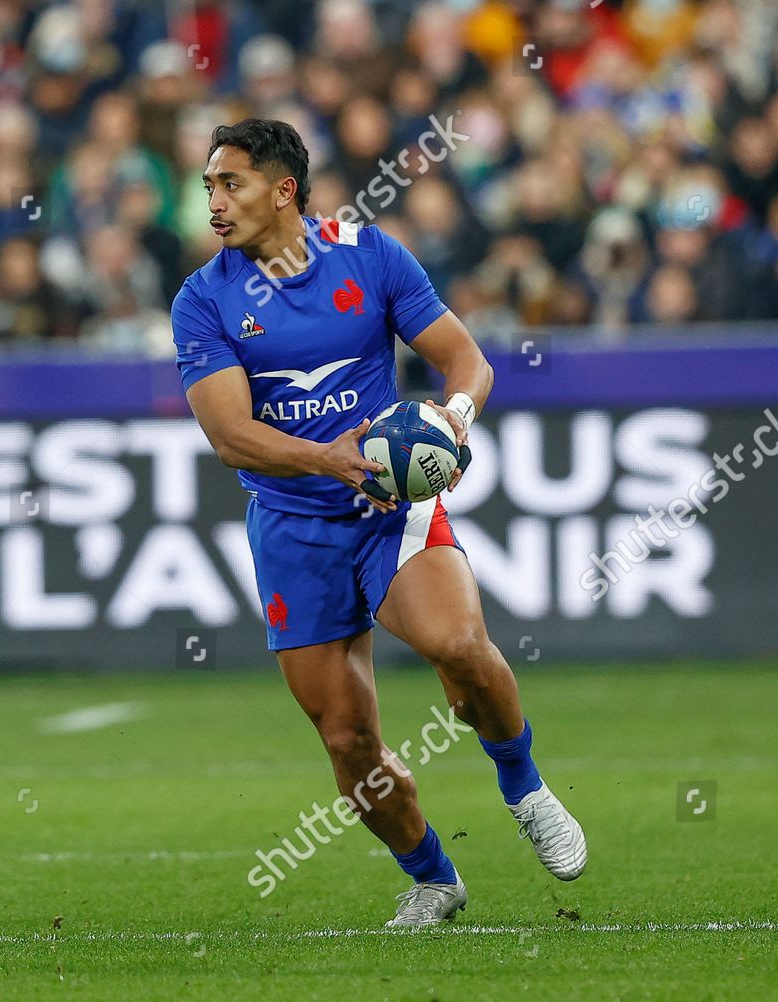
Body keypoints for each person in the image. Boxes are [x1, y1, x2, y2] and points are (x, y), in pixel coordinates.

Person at [173, 118, 585, 928]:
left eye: (231, 185)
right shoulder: (203, 299)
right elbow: (229, 437)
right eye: (209, 188)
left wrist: (453, 419)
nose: (215, 204)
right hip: (294, 523)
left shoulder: (370, 255)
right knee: (348, 743)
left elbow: (469, 362)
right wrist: (329, 458)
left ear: (283, 190)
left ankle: (524, 784)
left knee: (458, 644)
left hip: (388, 504)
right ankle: (434, 878)